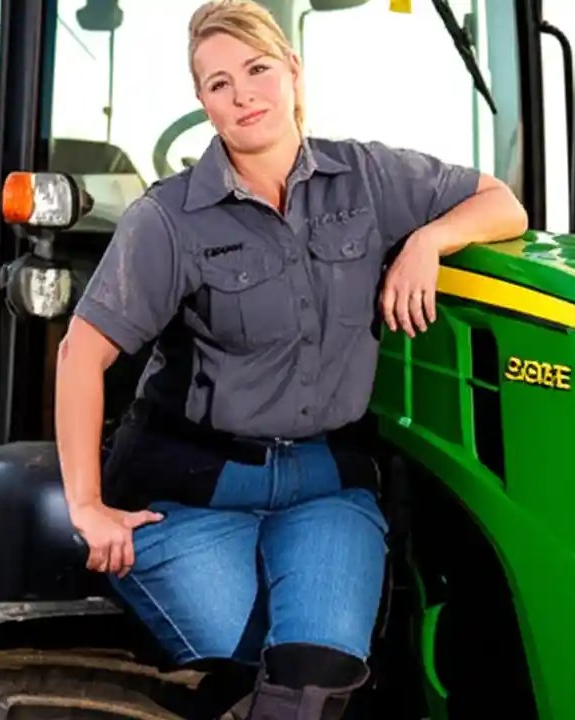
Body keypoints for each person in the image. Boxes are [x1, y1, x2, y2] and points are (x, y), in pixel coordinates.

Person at [53, 0, 529, 716]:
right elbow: (79, 355)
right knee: (250, 677)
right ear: (202, 101)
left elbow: (501, 202)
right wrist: (88, 506)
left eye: (257, 70)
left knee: (313, 677)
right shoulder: (168, 218)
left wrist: (428, 242)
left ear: (293, 71)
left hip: (321, 488)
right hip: (193, 491)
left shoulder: (366, 178)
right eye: (219, 84)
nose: (243, 95)